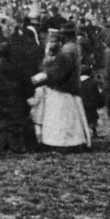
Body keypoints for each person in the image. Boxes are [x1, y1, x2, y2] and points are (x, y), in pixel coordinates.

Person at [30, 22, 91, 152]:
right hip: (69, 88)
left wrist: (43, 77)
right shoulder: (73, 47)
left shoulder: (66, 50)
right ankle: (72, 141)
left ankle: (60, 143)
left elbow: (58, 73)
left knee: (59, 118)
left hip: (61, 89)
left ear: (64, 36)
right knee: (70, 119)